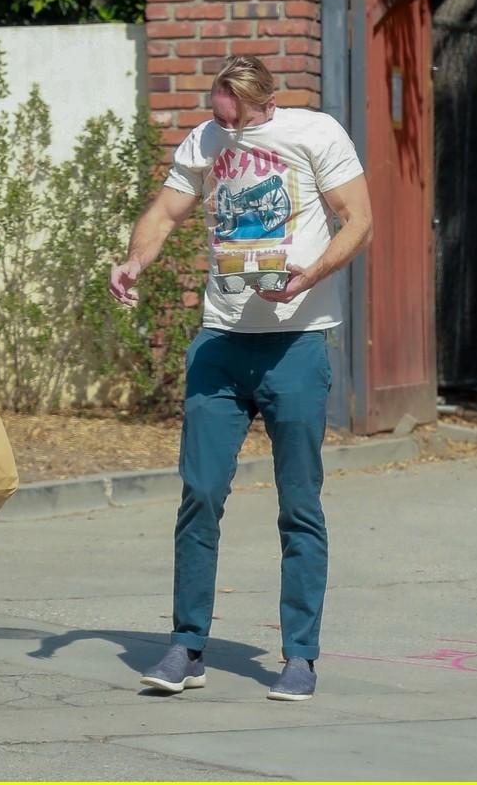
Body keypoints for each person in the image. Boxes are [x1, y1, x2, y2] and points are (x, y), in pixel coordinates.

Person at [108, 55, 372, 701]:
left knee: (299, 503)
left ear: (266, 104)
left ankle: (300, 656)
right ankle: (186, 645)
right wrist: (135, 260)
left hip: (296, 344)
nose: (226, 130)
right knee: (199, 493)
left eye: (237, 120)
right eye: (218, 116)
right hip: (220, 343)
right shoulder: (204, 140)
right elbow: (164, 214)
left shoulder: (316, 133)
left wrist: (310, 276)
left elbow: (359, 220)